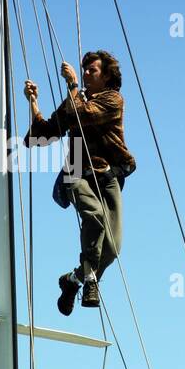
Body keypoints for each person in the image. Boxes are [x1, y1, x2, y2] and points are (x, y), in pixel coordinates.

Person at [23, 51, 135, 315]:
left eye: (91, 71)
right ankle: (90, 281)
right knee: (93, 215)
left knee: (112, 248)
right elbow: (41, 136)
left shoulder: (112, 99)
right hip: (75, 169)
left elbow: (84, 115)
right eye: (83, 70)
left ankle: (72, 280)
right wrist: (34, 103)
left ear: (107, 76)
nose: (85, 74)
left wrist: (72, 86)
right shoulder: (75, 100)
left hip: (106, 174)